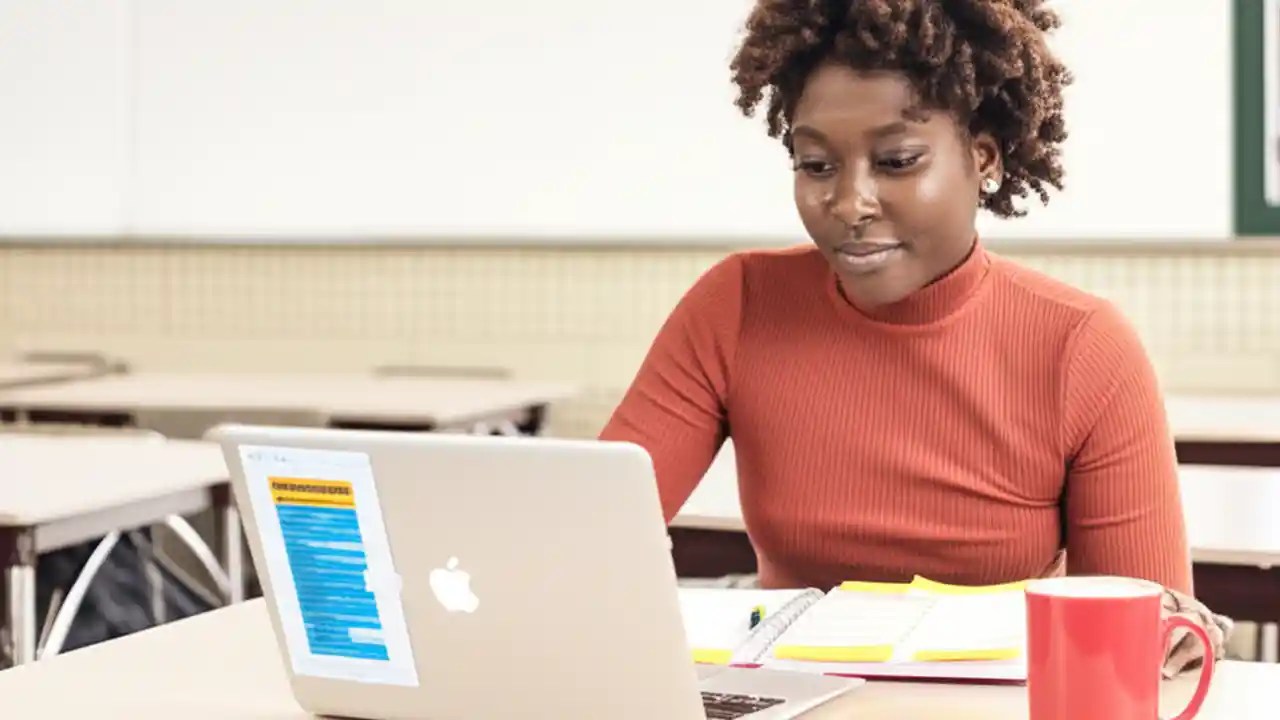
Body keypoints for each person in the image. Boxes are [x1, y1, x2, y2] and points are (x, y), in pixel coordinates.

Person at [599, 0, 1195, 595]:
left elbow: (1146, 632)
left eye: (897, 161)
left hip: (1004, 691)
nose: (850, 202)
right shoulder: (738, 304)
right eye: (816, 164)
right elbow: (584, 532)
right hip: (790, 683)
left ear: (983, 157)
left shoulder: (1082, 346)